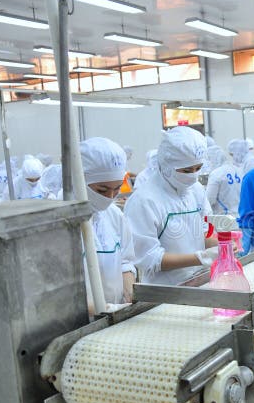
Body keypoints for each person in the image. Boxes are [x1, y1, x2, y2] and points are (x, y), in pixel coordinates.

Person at [124, 127, 217, 285]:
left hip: (200, 279)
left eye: (198, 168)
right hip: (165, 290)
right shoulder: (144, 200)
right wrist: (200, 258)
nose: (193, 175)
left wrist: (221, 247)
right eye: (187, 170)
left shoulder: (196, 191)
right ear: (166, 166)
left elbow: (204, 231)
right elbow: (149, 258)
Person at [80, 137, 136, 306]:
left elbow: (126, 262)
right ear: (80, 181)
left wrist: (128, 295)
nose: (110, 198)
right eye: (102, 190)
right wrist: (100, 309)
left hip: (115, 315)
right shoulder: (59, 222)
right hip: (79, 323)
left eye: (117, 188)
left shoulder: (114, 215)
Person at [206, 139, 248, 216]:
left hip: (224, 218)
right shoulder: (238, 170)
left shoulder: (216, 174)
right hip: (241, 215)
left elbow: (209, 200)